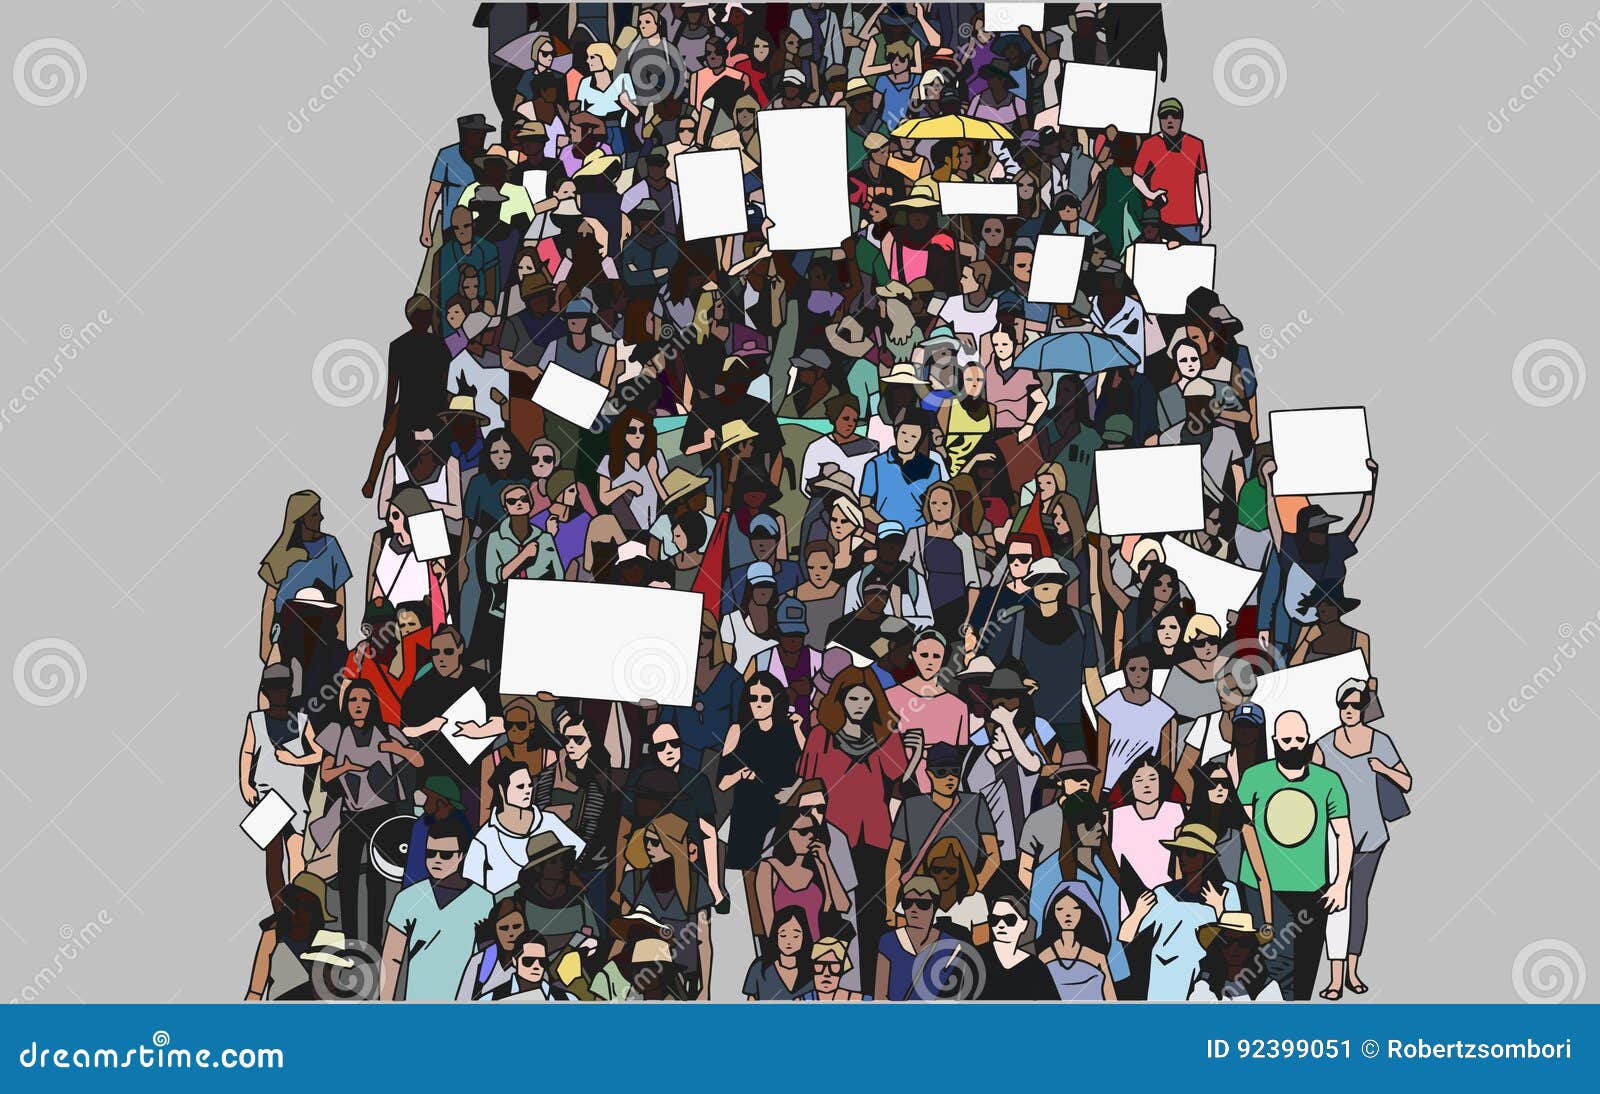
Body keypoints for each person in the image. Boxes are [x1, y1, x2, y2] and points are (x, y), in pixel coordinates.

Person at [1237, 711, 1354, 1000]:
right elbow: (1243, 828)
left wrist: (1340, 884)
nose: (1293, 745)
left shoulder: (1329, 782)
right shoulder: (1254, 777)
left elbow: (1344, 835)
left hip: (1313, 888)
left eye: (1299, 739)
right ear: (1275, 741)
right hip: (1262, 888)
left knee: (1307, 966)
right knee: (1275, 964)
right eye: (1287, 739)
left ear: (1308, 741)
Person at [1314, 679, 1411, 999]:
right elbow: (1310, 786)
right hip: (1333, 837)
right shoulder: (1324, 744)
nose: (1349, 711)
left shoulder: (1380, 741)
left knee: (1358, 902)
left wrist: (1382, 768)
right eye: (1344, 705)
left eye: (1355, 706)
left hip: (1371, 836)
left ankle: (1352, 972)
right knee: (1335, 903)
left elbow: (1407, 782)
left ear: (1365, 708)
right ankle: (1334, 977)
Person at [380, 817, 494, 1000]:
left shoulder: (484, 901)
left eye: (446, 855)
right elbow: (392, 958)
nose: (437, 860)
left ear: (462, 856)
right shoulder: (408, 899)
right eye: (431, 853)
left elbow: (488, 960)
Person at [1131, 97, 1210, 242]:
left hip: (1188, 221)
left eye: (1175, 116)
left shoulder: (1195, 144)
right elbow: (1136, 177)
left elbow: (1202, 179)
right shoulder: (1149, 145)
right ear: (1159, 120)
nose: (1170, 120)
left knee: (1189, 255)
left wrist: (1206, 216)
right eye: (1164, 116)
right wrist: (1150, 194)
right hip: (1158, 222)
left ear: (1181, 118)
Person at [1037, 880, 1118, 1000]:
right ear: (1052, 913)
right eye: (1060, 909)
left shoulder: (1098, 958)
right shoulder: (1044, 957)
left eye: (1075, 908)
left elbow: (1112, 1000)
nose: (1067, 914)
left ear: (1085, 911)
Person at [742, 906, 816, 1000]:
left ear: (804, 936)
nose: (789, 941)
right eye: (783, 935)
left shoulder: (814, 969)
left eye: (795, 936)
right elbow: (751, 1001)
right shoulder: (760, 967)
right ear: (776, 936)